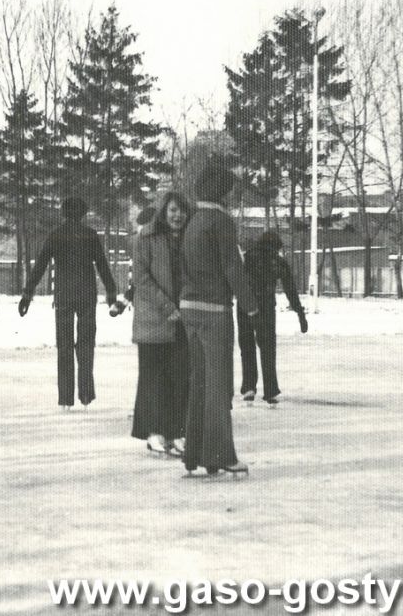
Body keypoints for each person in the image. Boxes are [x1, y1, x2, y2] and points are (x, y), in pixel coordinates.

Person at [179, 164, 259, 477]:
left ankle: (195, 453)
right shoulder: (220, 221)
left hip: (189, 308)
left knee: (199, 383)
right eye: (230, 190)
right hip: (214, 310)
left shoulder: (193, 221)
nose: (233, 196)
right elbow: (232, 267)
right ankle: (221, 453)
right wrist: (251, 305)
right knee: (219, 384)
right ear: (221, 191)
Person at [19, 196, 118, 410]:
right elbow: (102, 266)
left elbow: (40, 265)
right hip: (86, 295)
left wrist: (27, 294)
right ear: (83, 213)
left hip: (64, 295)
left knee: (64, 347)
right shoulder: (90, 235)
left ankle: (65, 399)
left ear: (64, 212)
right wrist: (111, 295)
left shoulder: (56, 235)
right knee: (85, 345)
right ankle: (85, 396)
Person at [130, 192, 192, 458]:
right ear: (164, 211)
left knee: (179, 377)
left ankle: (177, 432)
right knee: (152, 378)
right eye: (173, 210)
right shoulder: (145, 238)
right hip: (154, 318)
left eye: (182, 211)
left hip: (183, 319)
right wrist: (167, 306)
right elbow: (141, 279)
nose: (177, 216)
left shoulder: (191, 239)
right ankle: (153, 432)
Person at [237, 231, 308, 405]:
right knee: (268, 349)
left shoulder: (247, 257)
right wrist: (300, 313)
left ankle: (248, 387)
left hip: (245, 306)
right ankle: (270, 390)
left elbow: (235, 279)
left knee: (247, 347)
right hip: (266, 308)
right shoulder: (277, 261)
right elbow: (290, 289)